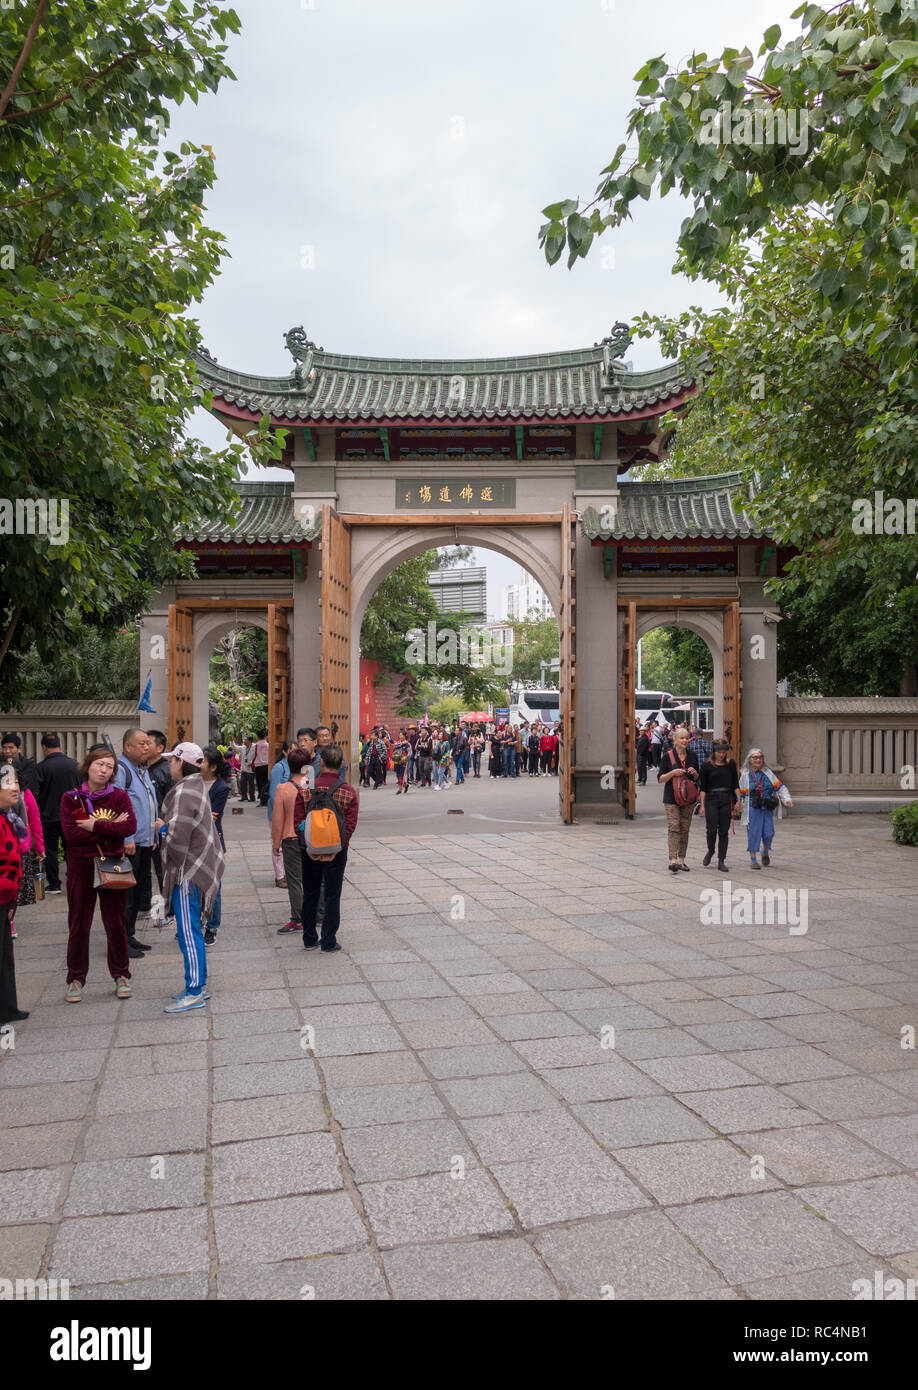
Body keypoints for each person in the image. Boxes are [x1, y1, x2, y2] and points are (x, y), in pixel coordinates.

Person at [60, 746, 137, 1003]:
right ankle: (75, 979)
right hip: (81, 867)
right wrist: (111, 828)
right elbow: (72, 835)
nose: (104, 770)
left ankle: (121, 974)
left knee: (115, 923)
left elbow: (129, 826)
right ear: (88, 765)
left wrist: (95, 825)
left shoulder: (119, 797)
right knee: (79, 924)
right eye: (99, 765)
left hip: (113, 865)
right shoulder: (71, 798)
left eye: (109, 767)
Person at [159, 741, 224, 1011]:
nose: (169, 765)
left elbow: (177, 840)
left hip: (187, 873)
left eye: (172, 761)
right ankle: (199, 983)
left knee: (188, 932)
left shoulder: (184, 791)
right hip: (197, 868)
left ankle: (195, 989)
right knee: (193, 929)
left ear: (181, 763)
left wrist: (161, 829)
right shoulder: (196, 785)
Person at [296, 744, 358, 953]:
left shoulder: (307, 789)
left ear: (320, 763)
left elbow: (298, 822)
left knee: (310, 893)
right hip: (337, 851)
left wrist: (308, 844)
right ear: (341, 764)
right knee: (332, 894)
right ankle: (329, 940)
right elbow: (350, 825)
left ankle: (309, 938)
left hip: (309, 850)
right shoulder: (347, 792)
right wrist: (338, 846)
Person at [114, 728, 157, 959]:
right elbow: (117, 805)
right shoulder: (121, 769)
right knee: (127, 896)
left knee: (138, 891)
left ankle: (129, 934)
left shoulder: (141, 769)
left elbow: (147, 803)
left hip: (144, 841)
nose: (146, 747)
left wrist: (153, 835)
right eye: (141, 743)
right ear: (127, 746)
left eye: (148, 743)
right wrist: (126, 837)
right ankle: (120, 941)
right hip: (130, 842)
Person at [272, 748, 312, 932]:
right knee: (313, 878)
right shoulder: (312, 786)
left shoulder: (283, 789)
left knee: (295, 880)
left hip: (291, 838)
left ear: (289, 765)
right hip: (312, 838)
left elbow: (278, 819)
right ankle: (317, 914)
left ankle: (298, 919)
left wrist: (275, 843)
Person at [0, 766, 29, 1025]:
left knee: (5, 956)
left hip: (6, 898)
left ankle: (8, 1008)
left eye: (16, 782)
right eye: (8, 783)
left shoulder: (8, 817)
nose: (15, 787)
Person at [35, 733, 80, 895]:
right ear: (60, 746)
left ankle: (54, 884)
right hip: (71, 815)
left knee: (51, 851)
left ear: (44, 748)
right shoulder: (74, 765)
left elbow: (35, 792)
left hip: (48, 815)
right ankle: (75, 879)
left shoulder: (41, 768)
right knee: (71, 849)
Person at [739, 748, 794, 869]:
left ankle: (765, 851)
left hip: (767, 807)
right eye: (755, 757)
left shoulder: (768, 773)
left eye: (760, 757)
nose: (758, 760)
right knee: (754, 833)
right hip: (753, 808)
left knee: (769, 833)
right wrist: (739, 804)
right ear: (750, 760)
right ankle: (753, 859)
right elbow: (741, 793)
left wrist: (787, 799)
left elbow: (780, 788)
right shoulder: (745, 775)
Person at [657, 724, 700, 873]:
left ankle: (682, 859)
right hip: (671, 797)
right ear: (675, 740)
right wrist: (672, 773)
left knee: (685, 829)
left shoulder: (692, 755)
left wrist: (694, 773)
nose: (685, 740)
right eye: (681, 738)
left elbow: (696, 778)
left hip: (688, 797)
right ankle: (672, 859)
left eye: (687, 738)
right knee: (674, 827)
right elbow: (660, 778)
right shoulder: (667, 756)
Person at [201, 746, 230, 945]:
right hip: (191, 841)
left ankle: (212, 926)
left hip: (212, 840)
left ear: (212, 767)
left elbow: (213, 816)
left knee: (213, 886)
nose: (198, 763)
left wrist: (193, 814)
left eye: (202, 760)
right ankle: (193, 922)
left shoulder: (221, 788)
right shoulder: (192, 783)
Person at [698, 739, 740, 872]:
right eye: (719, 752)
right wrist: (702, 805)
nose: (721, 755)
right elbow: (703, 787)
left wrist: (739, 799)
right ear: (714, 752)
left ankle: (721, 860)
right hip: (711, 798)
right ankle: (711, 850)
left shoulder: (730, 764)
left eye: (724, 752)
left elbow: (735, 783)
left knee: (724, 831)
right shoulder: (706, 766)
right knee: (711, 829)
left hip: (726, 798)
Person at [9, 778, 44, 939]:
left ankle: (9, 921)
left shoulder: (24, 795)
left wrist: (39, 847)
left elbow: (34, 820)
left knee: (14, 889)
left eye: (16, 781)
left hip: (19, 849)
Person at [145, 730, 173, 900]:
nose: (144, 747)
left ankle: (168, 904)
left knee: (162, 869)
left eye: (148, 743)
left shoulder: (166, 771)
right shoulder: (141, 769)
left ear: (160, 747)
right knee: (143, 871)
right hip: (144, 830)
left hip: (161, 828)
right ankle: (145, 903)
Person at [253, 730, 270, 806]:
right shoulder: (268, 744)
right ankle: (266, 800)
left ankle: (261, 801)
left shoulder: (256, 745)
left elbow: (254, 755)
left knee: (260, 784)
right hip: (267, 765)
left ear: (258, 736)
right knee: (266, 783)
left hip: (258, 765)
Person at [239, 736, 256, 802]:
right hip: (244, 768)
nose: (244, 740)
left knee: (251, 783)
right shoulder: (243, 747)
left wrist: (252, 762)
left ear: (250, 741)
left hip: (250, 768)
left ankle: (252, 797)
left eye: (245, 739)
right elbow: (235, 748)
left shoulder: (255, 747)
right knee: (242, 782)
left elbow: (256, 756)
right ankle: (244, 796)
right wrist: (231, 741)